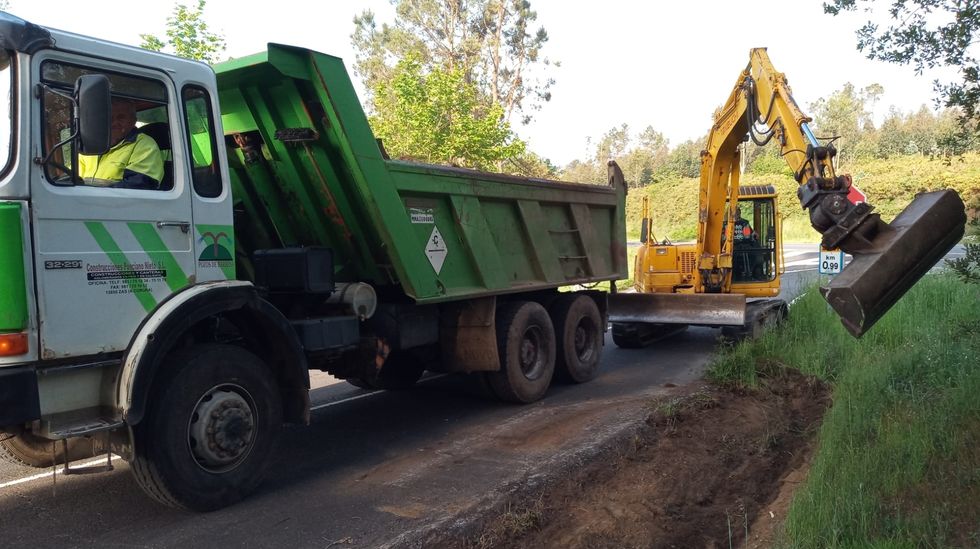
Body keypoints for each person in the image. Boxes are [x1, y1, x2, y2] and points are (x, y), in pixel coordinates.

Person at [78, 97, 163, 189]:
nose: (114, 123)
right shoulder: (90, 145)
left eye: (121, 117)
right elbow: (72, 176)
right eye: (110, 118)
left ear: (133, 121)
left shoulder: (145, 145)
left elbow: (139, 186)